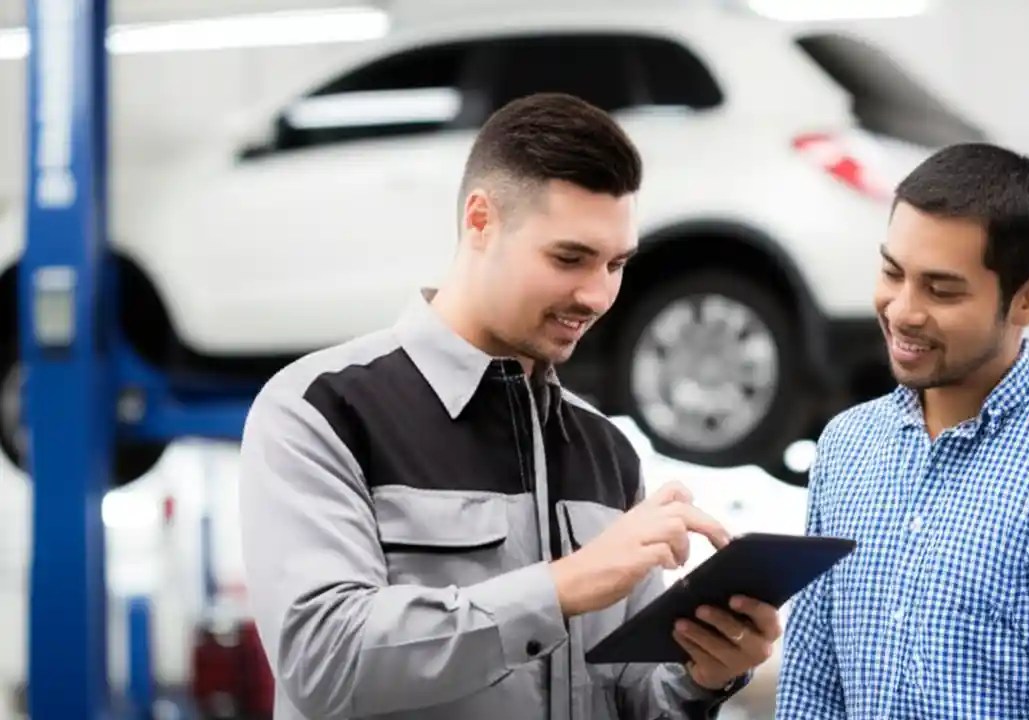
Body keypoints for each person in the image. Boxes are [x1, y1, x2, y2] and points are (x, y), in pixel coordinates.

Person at [238, 92, 781, 720]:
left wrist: (700, 677)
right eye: (569, 258)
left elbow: (634, 700)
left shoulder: (606, 449)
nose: (597, 295)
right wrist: (564, 588)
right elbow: (323, 662)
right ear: (480, 220)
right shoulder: (322, 411)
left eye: (616, 264)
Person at [774, 143, 1029, 718]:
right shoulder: (847, 446)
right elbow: (813, 690)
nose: (902, 311)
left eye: (942, 290)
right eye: (892, 272)